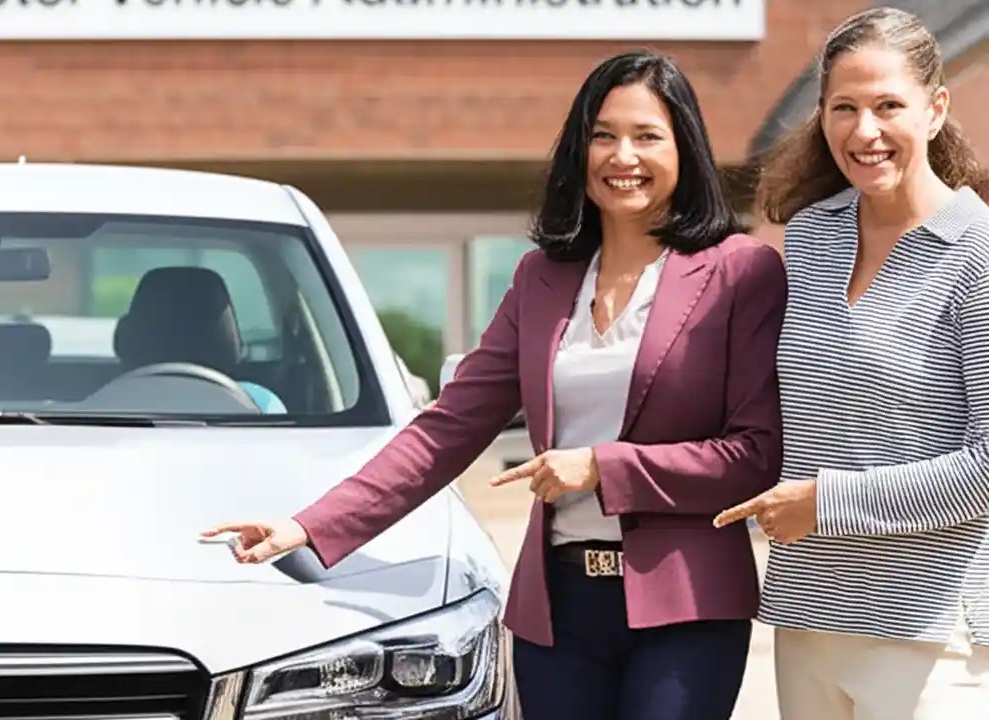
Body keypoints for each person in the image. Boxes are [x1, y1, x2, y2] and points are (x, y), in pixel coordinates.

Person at [204, 50, 786, 720]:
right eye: (603, 135)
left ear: (686, 150)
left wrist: (601, 467)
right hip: (558, 611)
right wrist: (309, 524)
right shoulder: (542, 278)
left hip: (685, 611)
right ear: (578, 151)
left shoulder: (741, 272)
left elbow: (753, 456)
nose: (623, 155)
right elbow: (448, 428)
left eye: (647, 136)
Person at [713, 7, 989, 718]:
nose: (864, 131)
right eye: (845, 107)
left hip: (929, 637)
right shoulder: (811, 238)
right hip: (807, 619)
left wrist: (824, 504)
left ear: (935, 110)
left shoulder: (978, 254)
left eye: (888, 106)